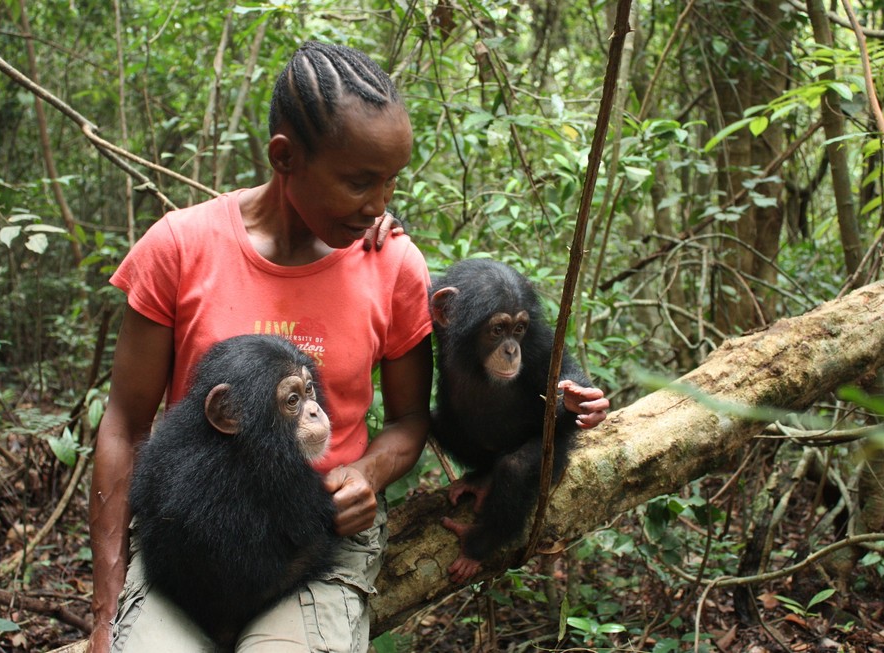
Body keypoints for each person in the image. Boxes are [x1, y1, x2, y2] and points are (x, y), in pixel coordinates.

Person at [88, 41, 608, 653]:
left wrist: (365, 473)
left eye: (390, 183)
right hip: (194, 527)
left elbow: (413, 419)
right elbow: (124, 426)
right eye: (360, 182)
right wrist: (105, 610)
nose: (379, 206)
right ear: (286, 157)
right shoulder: (178, 246)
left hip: (321, 529)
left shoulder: (392, 263)